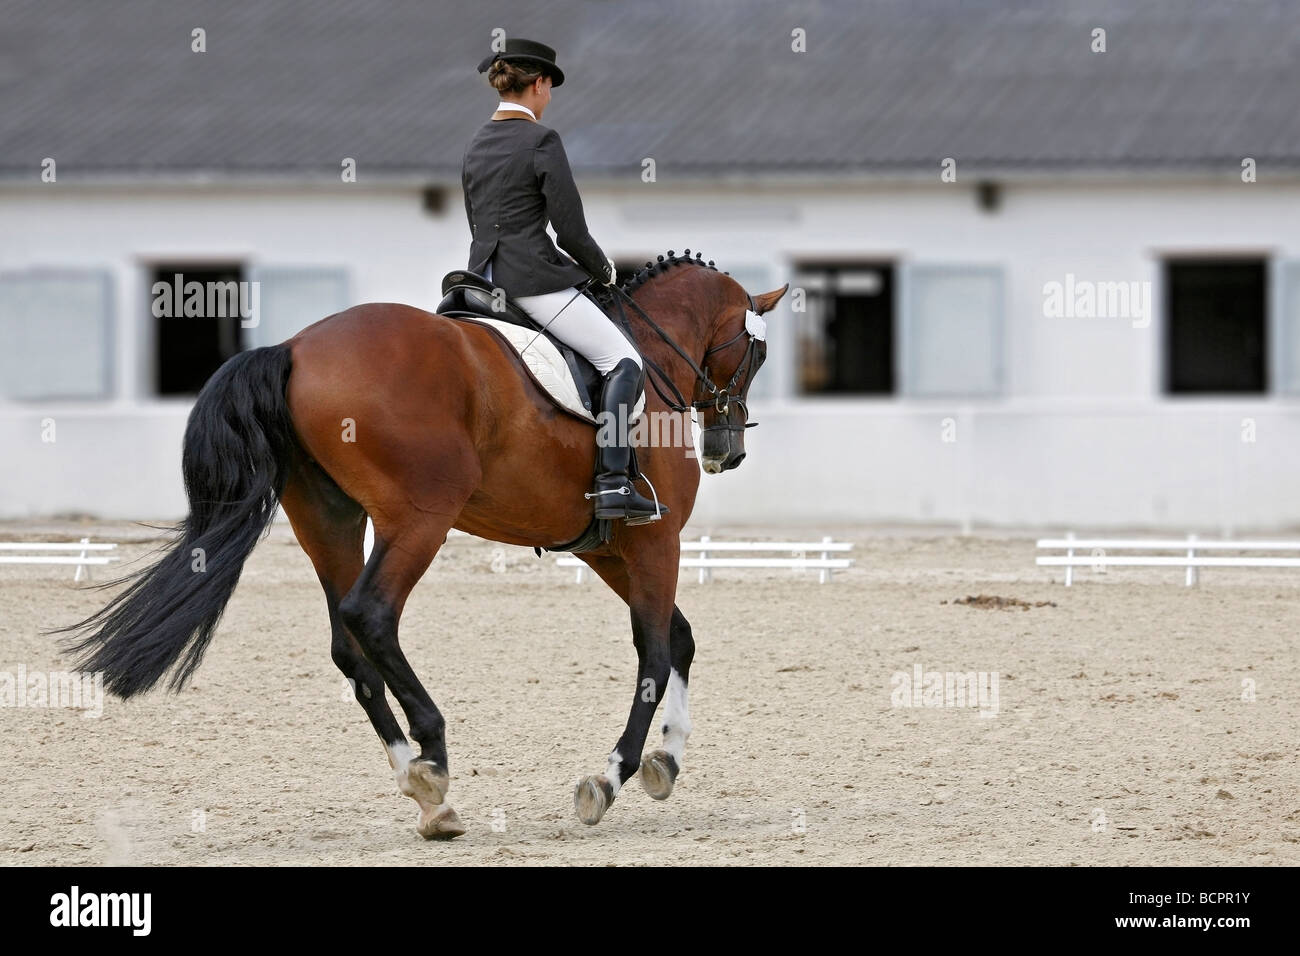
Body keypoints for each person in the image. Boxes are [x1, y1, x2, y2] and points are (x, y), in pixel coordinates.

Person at [463, 38, 666, 522]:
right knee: (623, 360)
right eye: (548, 88)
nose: (549, 97)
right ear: (538, 84)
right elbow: (570, 229)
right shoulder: (541, 141)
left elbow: (479, 220)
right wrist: (605, 270)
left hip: (478, 281)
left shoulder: (475, 144)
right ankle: (614, 483)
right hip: (531, 281)